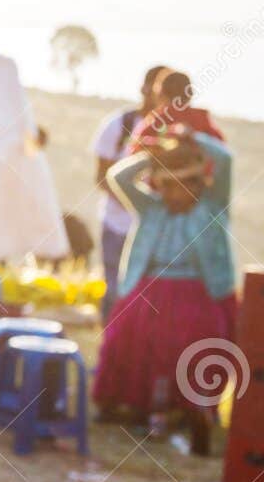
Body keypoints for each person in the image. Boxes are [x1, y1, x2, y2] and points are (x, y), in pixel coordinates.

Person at [92, 129, 236, 456]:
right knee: (127, 338)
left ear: (198, 185)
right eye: (166, 185)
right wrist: (151, 155)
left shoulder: (213, 206)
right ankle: (129, 404)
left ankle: (191, 411)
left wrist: (193, 140)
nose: (172, 194)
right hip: (149, 288)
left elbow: (225, 160)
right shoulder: (151, 208)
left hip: (198, 292)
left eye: (180, 186)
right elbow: (119, 177)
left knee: (191, 344)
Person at [92, 65, 164, 322]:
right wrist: (134, 201)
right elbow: (101, 177)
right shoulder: (118, 125)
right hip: (115, 225)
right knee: (114, 289)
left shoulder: (169, 133)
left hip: (152, 231)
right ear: (145, 89)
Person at [130, 69, 224, 146]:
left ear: (161, 94)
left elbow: (135, 145)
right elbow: (221, 144)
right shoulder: (202, 118)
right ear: (190, 95)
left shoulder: (158, 118)